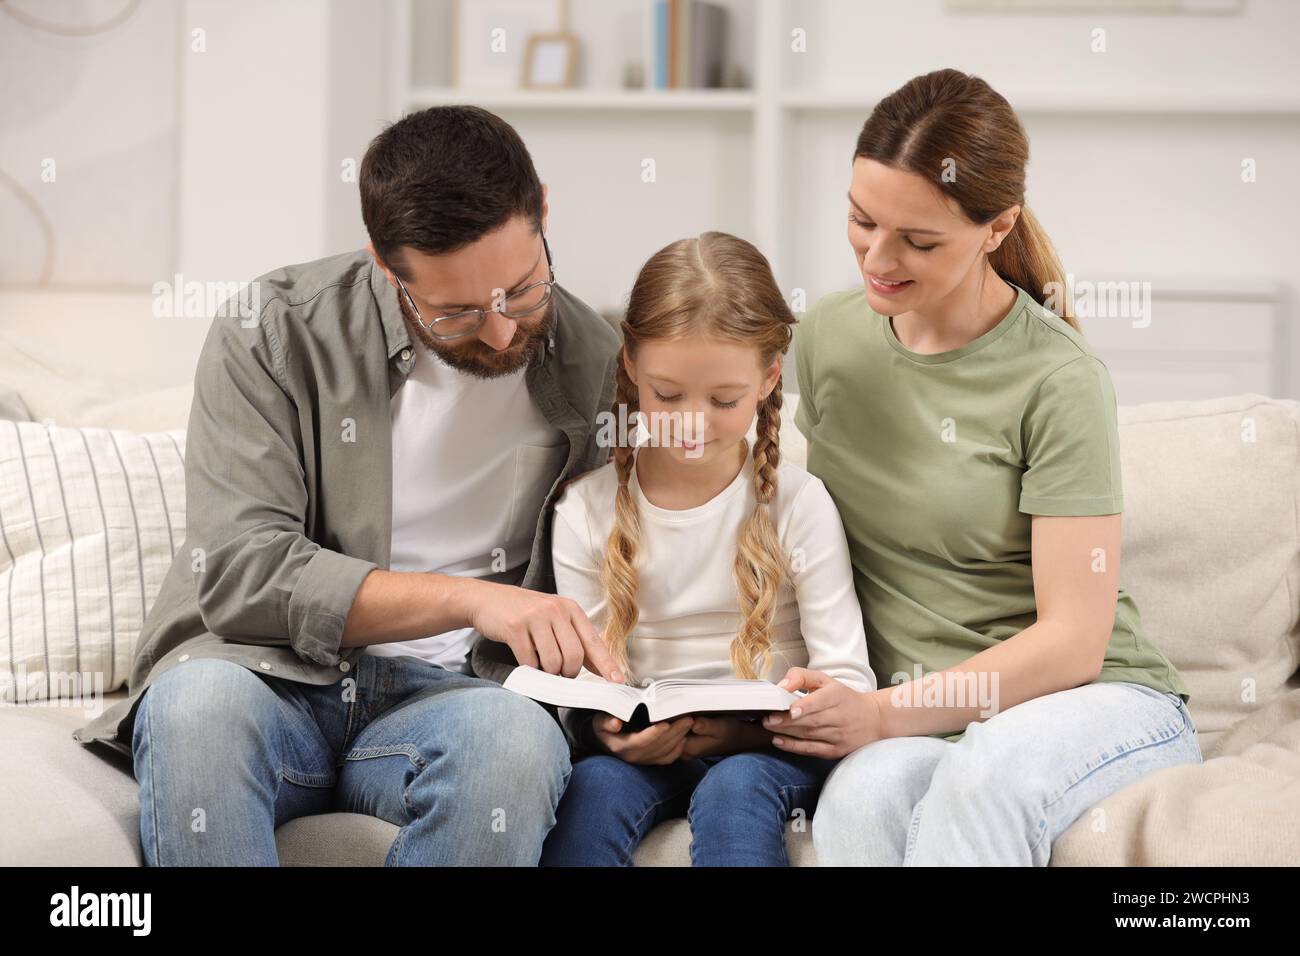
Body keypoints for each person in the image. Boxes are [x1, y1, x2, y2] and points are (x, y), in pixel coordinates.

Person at [72, 105, 624, 866]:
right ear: (383, 262)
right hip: (263, 676)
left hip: (456, 697)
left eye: (522, 290)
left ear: (543, 211)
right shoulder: (273, 329)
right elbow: (243, 572)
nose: (501, 331)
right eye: (456, 312)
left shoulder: (599, 363)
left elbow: (622, 570)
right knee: (196, 708)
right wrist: (471, 597)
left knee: (515, 742)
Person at [762, 69, 1200, 866]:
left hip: (1089, 700)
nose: (878, 258)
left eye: (919, 241)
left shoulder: (1059, 378)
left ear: (997, 228)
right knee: (859, 801)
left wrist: (884, 713)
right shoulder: (829, 336)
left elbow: (1073, 639)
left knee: (985, 777)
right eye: (861, 221)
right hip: (928, 710)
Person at [538, 232, 875, 867]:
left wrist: (744, 731)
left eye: (724, 401)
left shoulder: (799, 505)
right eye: (668, 395)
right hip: (647, 750)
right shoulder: (584, 508)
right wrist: (610, 735)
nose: (693, 422)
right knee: (590, 793)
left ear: (770, 376)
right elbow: (585, 686)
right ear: (631, 365)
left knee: (734, 788)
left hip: (769, 753)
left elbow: (849, 679)